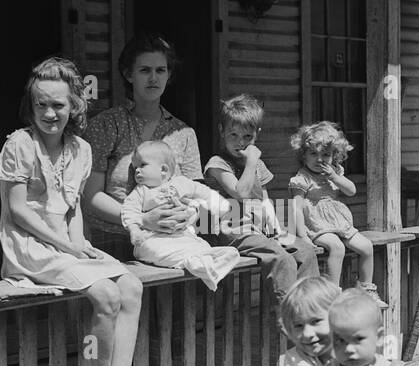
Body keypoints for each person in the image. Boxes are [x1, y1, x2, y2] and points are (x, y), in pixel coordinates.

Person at [0, 55, 154, 366]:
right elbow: (16, 209)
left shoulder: (81, 149)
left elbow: (72, 210)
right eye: (41, 105)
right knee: (104, 294)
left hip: (67, 244)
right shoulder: (20, 144)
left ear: (74, 107)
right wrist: (67, 246)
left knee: (131, 285)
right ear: (31, 106)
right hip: (29, 246)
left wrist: (82, 246)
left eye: (58, 105)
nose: (49, 113)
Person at [82, 32, 201, 259]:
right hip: (111, 241)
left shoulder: (184, 133)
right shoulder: (105, 125)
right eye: (145, 70)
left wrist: (188, 215)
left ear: (169, 75)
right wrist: (143, 220)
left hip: (170, 242)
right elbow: (90, 196)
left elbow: (194, 194)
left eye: (160, 70)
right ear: (129, 74)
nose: (153, 78)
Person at [204, 93, 318, 302]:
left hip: (260, 231)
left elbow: (264, 198)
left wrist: (275, 228)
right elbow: (241, 192)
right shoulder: (217, 164)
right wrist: (251, 162)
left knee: (305, 250)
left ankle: (309, 305)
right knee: (281, 258)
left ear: (257, 134)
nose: (240, 143)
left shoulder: (257, 164)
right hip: (232, 231)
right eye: (233, 135)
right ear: (221, 132)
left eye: (247, 137)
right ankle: (287, 310)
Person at [120, 140, 242, 291]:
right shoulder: (141, 192)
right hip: (152, 237)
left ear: (163, 170)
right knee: (154, 250)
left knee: (199, 244)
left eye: (142, 165)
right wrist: (134, 230)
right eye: (135, 167)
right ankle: (194, 263)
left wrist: (222, 207)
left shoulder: (181, 183)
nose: (137, 171)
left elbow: (203, 192)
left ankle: (203, 259)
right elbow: (128, 211)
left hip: (181, 235)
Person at [288, 120, 379, 299]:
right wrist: (303, 236)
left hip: (338, 223)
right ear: (303, 155)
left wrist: (335, 177)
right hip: (315, 224)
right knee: (337, 247)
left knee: (366, 246)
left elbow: (351, 191)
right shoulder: (302, 179)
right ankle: (331, 293)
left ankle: (367, 290)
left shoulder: (335, 173)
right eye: (313, 153)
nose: (319, 159)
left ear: (334, 156)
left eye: (326, 154)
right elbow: (296, 209)